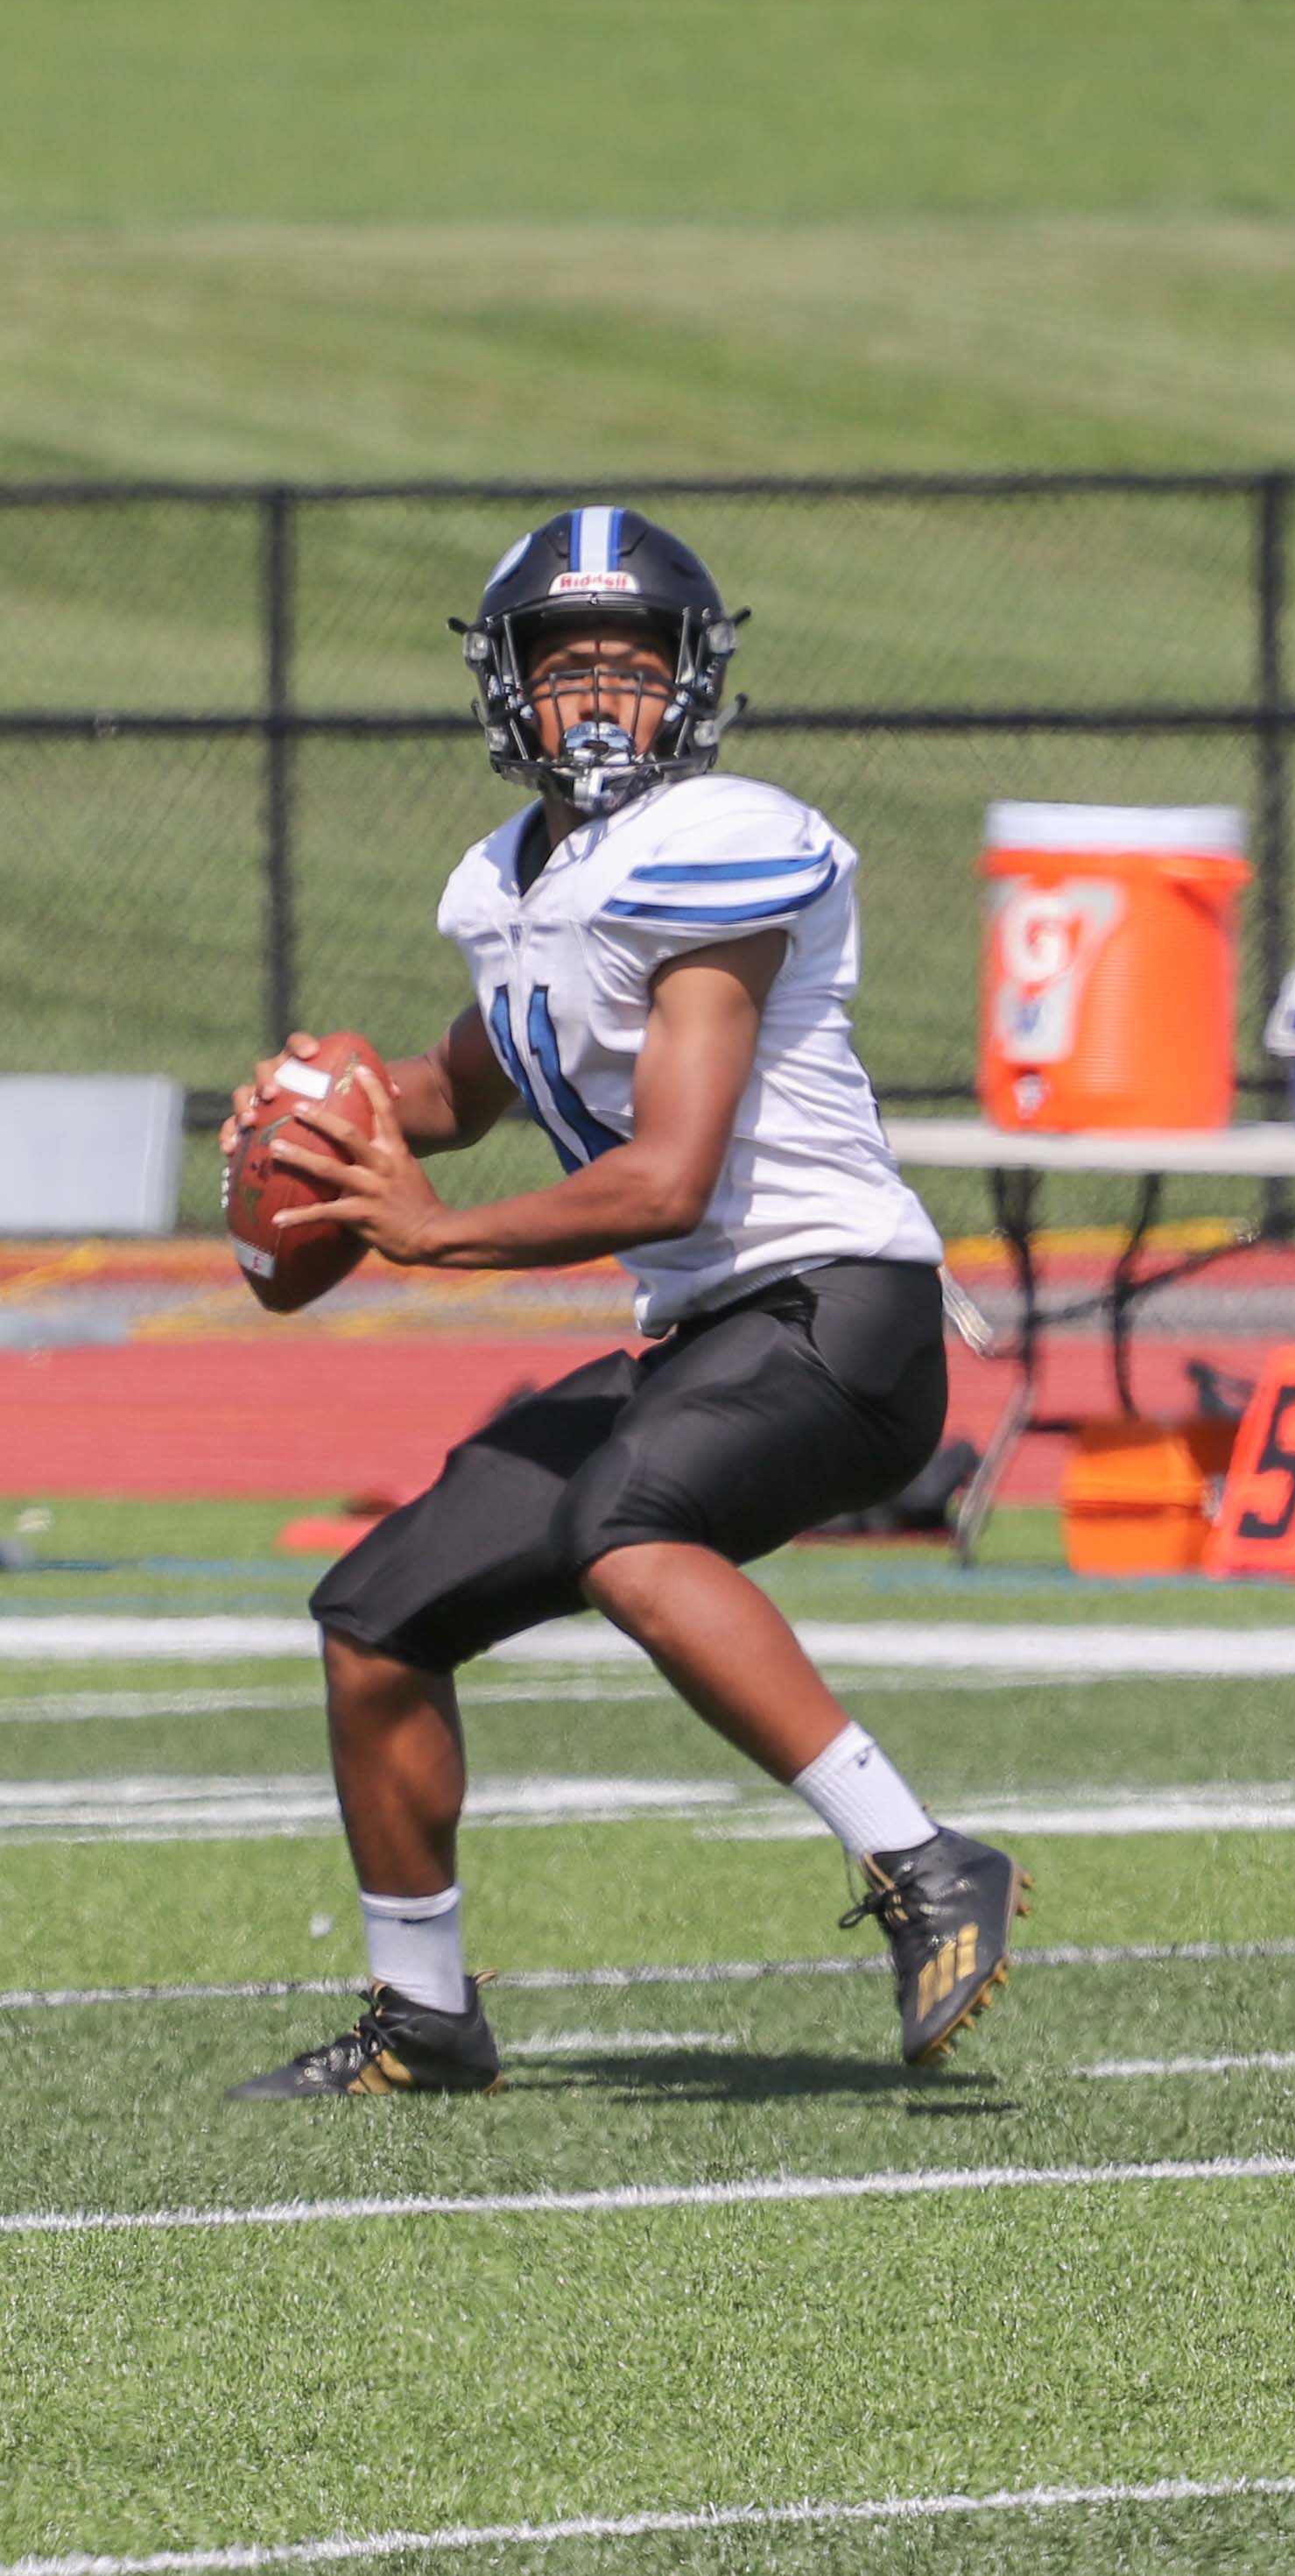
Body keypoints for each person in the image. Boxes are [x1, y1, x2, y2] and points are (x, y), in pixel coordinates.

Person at [221, 506, 1023, 2100]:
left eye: (633, 666)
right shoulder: (515, 880)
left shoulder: (718, 840)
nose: (599, 697)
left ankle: (928, 1862)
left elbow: (667, 1177)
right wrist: (334, 1115)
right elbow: (466, 1084)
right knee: (378, 1612)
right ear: (508, 686)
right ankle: (424, 2013)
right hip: (708, 1335)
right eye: (566, 664)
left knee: (625, 1526)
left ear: (693, 685)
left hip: (842, 1315)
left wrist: (430, 1240)